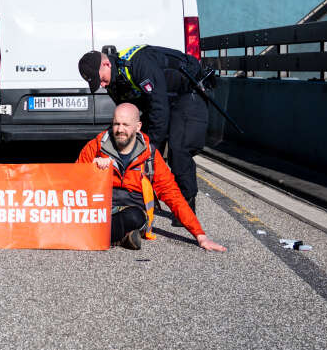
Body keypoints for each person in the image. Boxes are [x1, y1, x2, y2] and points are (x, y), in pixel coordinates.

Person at [78, 44, 208, 222]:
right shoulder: (113, 81)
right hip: (163, 96)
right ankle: (144, 195)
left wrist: (150, 148)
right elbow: (129, 113)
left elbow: (159, 110)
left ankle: (185, 203)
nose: (101, 85)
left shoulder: (139, 64)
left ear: (107, 64)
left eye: (100, 79)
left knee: (178, 147)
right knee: (139, 144)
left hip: (187, 92)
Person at [77, 102, 225, 252]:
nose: (120, 129)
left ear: (138, 126)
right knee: (86, 217)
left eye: (126, 125)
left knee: (134, 217)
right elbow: (72, 182)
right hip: (99, 210)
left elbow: (172, 195)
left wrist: (200, 235)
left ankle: (94, 234)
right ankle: (120, 237)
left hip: (133, 212)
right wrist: (91, 169)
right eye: (116, 124)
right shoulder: (95, 147)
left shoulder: (151, 155)